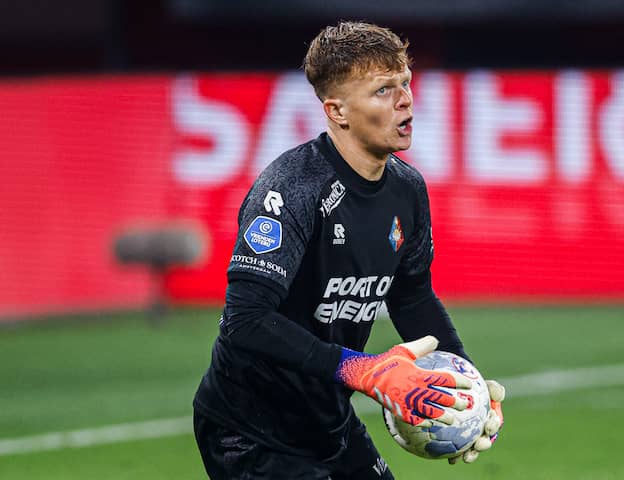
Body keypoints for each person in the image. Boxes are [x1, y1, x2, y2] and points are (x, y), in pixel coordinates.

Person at [192, 21, 505, 479]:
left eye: (405, 83)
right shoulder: (292, 188)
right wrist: (363, 369)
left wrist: (467, 387)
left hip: (328, 422)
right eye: (383, 90)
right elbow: (246, 319)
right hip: (249, 431)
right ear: (337, 111)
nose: (404, 100)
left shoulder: (407, 189)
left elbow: (412, 297)